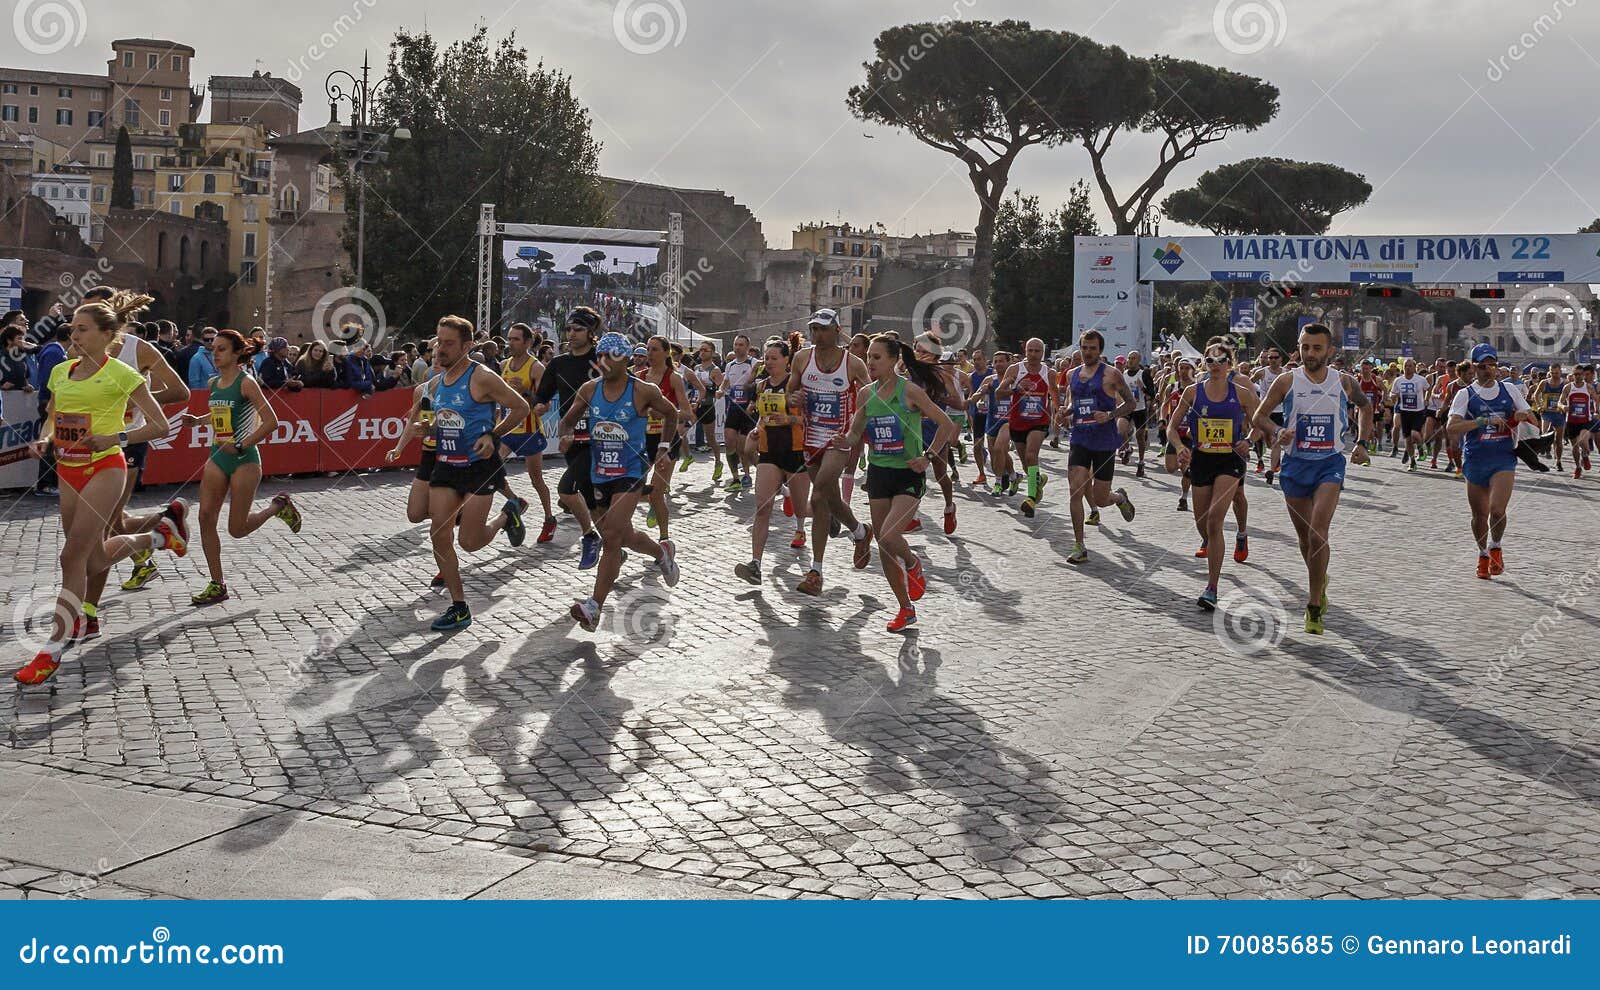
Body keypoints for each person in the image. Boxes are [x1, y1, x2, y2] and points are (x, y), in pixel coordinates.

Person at [15, 292, 188, 685]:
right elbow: (54, 418)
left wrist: (116, 437)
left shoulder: (122, 375)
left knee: (70, 557)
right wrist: (45, 439)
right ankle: (159, 537)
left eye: (82, 329)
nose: (73, 335)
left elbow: (159, 426)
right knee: (93, 560)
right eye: (72, 328)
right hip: (68, 470)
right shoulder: (62, 371)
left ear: (107, 334)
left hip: (106, 469)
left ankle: (51, 649)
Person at [1251, 323, 1373, 635]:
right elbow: (1259, 417)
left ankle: (1314, 602)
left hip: (1329, 464)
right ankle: (1320, 578)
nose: (1310, 353)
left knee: (1319, 535)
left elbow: (1365, 406)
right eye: (1305, 347)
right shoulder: (1287, 380)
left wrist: (1361, 443)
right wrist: (1279, 432)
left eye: (1317, 348)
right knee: (1305, 540)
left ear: (1330, 351)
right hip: (1295, 466)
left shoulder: (1343, 381)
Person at [171, 330, 305, 605]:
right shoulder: (214, 382)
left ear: (235, 354)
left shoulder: (247, 383)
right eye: (213, 348)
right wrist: (198, 421)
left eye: (221, 349)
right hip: (218, 456)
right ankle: (217, 583)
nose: (214, 353)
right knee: (205, 517)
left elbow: (271, 421)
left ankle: (278, 507)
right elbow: (221, 413)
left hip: (245, 460)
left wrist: (243, 445)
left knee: (237, 529)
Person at [563, 333, 682, 631]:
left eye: (610, 357)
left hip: (631, 469)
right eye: (600, 356)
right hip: (600, 470)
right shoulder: (590, 389)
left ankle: (594, 606)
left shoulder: (643, 390)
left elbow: (671, 413)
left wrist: (665, 448)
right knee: (623, 536)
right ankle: (660, 552)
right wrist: (565, 433)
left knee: (612, 536)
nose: (603, 362)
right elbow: (567, 419)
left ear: (625, 359)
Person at [841, 333, 957, 632]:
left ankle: (913, 561)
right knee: (884, 544)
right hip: (879, 474)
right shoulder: (866, 394)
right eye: (869, 358)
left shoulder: (910, 391)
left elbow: (946, 424)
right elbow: (856, 434)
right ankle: (906, 609)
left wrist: (928, 456)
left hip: (909, 473)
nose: (871, 362)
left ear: (894, 360)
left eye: (877, 358)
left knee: (890, 536)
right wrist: (842, 440)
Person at [423, 315, 532, 631]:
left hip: (478, 467)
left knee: (469, 542)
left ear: (467, 346)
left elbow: (521, 407)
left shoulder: (482, 376)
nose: (440, 349)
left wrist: (493, 435)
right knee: (438, 534)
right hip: (445, 463)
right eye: (438, 342)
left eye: (448, 344)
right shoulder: (436, 380)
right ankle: (459, 607)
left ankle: (505, 517)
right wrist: (424, 427)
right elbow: (431, 415)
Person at [1167, 340, 1260, 609]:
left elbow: (1260, 422)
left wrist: (1250, 440)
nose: (1216, 365)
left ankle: (1212, 587)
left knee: (1215, 521)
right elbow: (1173, 427)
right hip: (1202, 459)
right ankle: (1212, 542)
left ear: (1230, 364)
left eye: (1222, 361)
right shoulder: (1192, 392)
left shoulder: (1242, 392)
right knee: (1203, 522)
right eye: (1211, 361)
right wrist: (1180, 446)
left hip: (1230, 460)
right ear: (1204, 364)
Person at [787, 309, 874, 596]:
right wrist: (794, 397)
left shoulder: (853, 363)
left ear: (836, 329)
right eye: (813, 329)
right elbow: (789, 392)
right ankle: (860, 531)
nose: (818, 335)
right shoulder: (802, 358)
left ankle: (815, 572)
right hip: (810, 439)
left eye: (823, 329)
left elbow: (874, 395)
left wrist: (859, 428)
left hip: (839, 440)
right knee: (829, 501)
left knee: (819, 493)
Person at [1445, 343, 1538, 580]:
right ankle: (1483, 553)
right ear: (1474, 368)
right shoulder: (1465, 394)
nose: (1488, 370)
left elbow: (1533, 420)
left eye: (1492, 365)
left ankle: (1496, 546)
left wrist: (1522, 415)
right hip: (1475, 460)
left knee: (1497, 510)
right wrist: (1479, 422)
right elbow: (1452, 427)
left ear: (1498, 366)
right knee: (1479, 515)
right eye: (1483, 366)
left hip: (1503, 459)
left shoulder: (1509, 390)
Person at [735, 337, 811, 584]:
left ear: (787, 360)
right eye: (766, 358)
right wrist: (757, 429)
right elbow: (763, 416)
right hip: (769, 452)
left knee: (802, 509)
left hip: (795, 450)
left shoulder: (796, 386)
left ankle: (828, 513)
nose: (768, 362)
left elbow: (808, 421)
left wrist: (788, 420)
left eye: (774, 358)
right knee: (762, 507)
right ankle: (755, 565)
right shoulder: (761, 386)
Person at [532, 306, 603, 568]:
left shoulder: (601, 359)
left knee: (566, 489)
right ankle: (619, 545)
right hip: (570, 438)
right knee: (593, 500)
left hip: (599, 438)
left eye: (578, 329)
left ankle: (590, 536)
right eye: (569, 329)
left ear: (591, 332)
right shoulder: (559, 363)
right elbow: (543, 395)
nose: (571, 334)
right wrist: (538, 405)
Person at [1062, 330, 1137, 564]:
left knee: (1100, 498)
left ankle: (1119, 498)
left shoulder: (1112, 374)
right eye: (1084, 347)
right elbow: (1074, 400)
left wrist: (1110, 414)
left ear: (1100, 350)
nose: (1087, 352)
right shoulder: (1072, 374)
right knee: (1075, 489)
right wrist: (1067, 411)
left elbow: (1131, 403)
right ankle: (1079, 545)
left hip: (1104, 441)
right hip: (1080, 439)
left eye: (1092, 348)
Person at [498, 322, 557, 543]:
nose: (510, 343)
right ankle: (516, 501)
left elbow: (544, 406)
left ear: (528, 342)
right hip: (507, 428)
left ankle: (549, 518)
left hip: (530, 431)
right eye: (509, 338)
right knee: (490, 470)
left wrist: (525, 393)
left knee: (536, 479)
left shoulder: (536, 368)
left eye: (515, 339)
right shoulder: (504, 364)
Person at [638, 334, 694, 543]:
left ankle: (664, 540)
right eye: (648, 349)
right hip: (641, 440)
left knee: (656, 494)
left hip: (667, 440)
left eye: (654, 349)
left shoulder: (673, 377)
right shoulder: (639, 377)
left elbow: (688, 413)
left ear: (665, 353)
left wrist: (667, 414)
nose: (649, 354)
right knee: (629, 490)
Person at [996, 337, 1058, 518]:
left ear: (1043, 353)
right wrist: (1016, 389)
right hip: (1017, 422)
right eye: (1030, 351)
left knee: (1032, 455)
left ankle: (1031, 499)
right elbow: (999, 393)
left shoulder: (1049, 373)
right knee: (1026, 463)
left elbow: (1054, 392)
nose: (1033, 354)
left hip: (1039, 422)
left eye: (1037, 351)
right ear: (1025, 351)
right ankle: (1038, 480)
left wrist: (1058, 410)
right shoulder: (1015, 369)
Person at [719, 333, 759, 492]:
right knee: (729, 441)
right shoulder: (730, 365)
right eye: (736, 344)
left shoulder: (754, 363)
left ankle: (752, 474)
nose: (737, 347)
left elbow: (760, 383)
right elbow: (725, 383)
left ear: (748, 347)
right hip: (734, 408)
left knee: (744, 447)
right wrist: (721, 390)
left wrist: (753, 399)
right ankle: (735, 478)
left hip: (749, 409)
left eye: (741, 345)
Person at [1559, 364, 1594, 478]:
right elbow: (1560, 402)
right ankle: (1578, 467)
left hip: (1585, 420)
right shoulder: (1568, 387)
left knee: (1583, 441)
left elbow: (1597, 400)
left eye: (1580, 374)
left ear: (1583, 375)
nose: (1578, 376)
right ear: (1573, 375)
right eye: (1575, 374)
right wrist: (1563, 407)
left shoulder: (1588, 387)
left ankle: (1585, 455)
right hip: (1571, 420)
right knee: (1574, 447)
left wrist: (1597, 411)